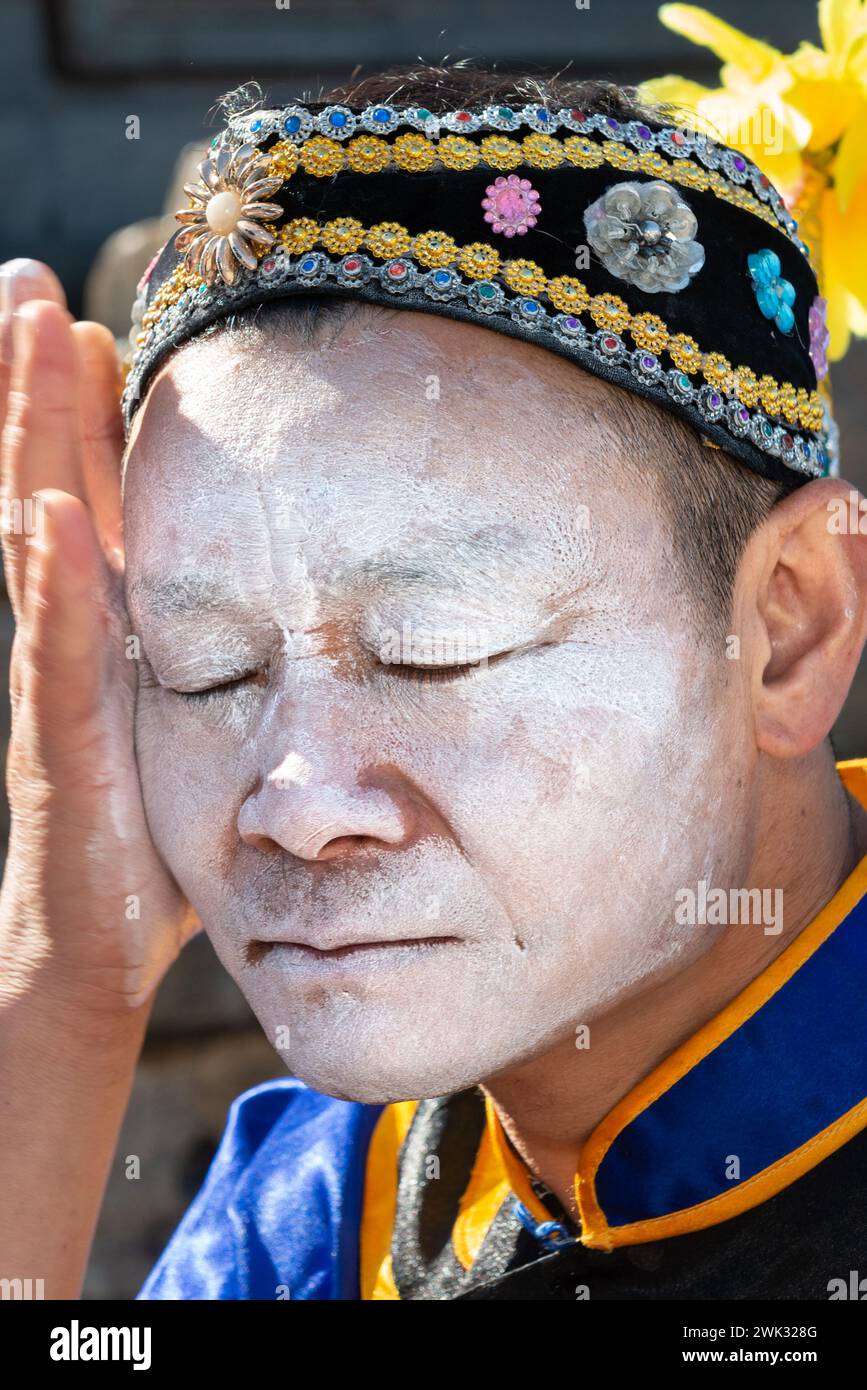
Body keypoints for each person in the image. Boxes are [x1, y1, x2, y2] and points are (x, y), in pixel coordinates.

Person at [1, 59, 865, 1302]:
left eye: (431, 646)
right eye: (206, 668)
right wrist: (66, 977)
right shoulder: (318, 1205)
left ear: (786, 629)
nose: (296, 807)